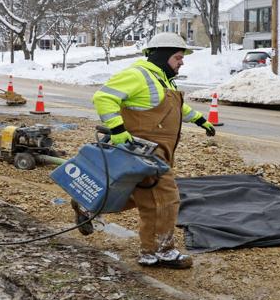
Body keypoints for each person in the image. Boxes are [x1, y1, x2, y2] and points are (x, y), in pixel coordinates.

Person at [92, 32, 217, 269]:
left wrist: (200, 119)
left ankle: (91, 206)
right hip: (144, 152)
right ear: (162, 55)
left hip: (160, 150)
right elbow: (104, 97)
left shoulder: (163, 79)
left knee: (143, 198)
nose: (182, 61)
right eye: (178, 57)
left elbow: (176, 108)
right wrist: (117, 130)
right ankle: (162, 250)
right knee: (167, 199)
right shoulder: (138, 75)